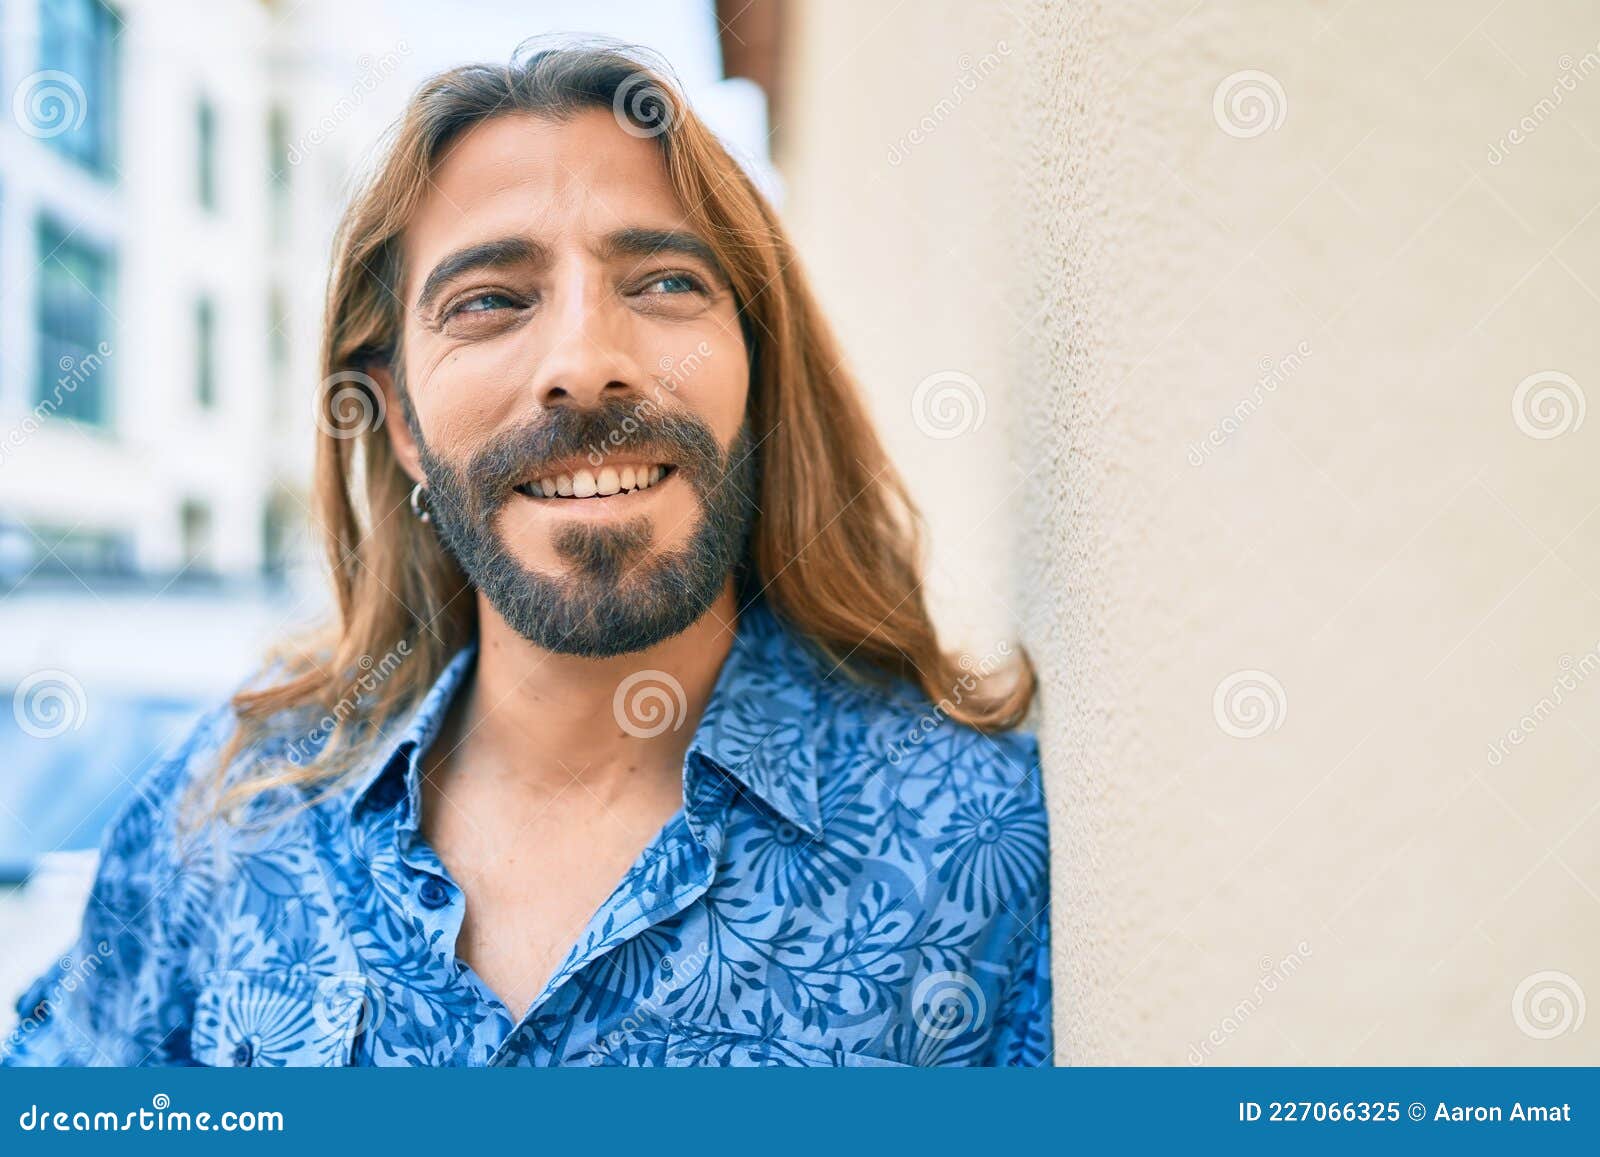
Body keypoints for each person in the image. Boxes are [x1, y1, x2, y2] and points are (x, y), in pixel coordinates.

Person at [3, 42, 1050, 1068]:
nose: (585, 364)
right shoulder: (230, 815)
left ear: (756, 371)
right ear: (402, 422)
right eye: (491, 301)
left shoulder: (978, 836)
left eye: (666, 282)